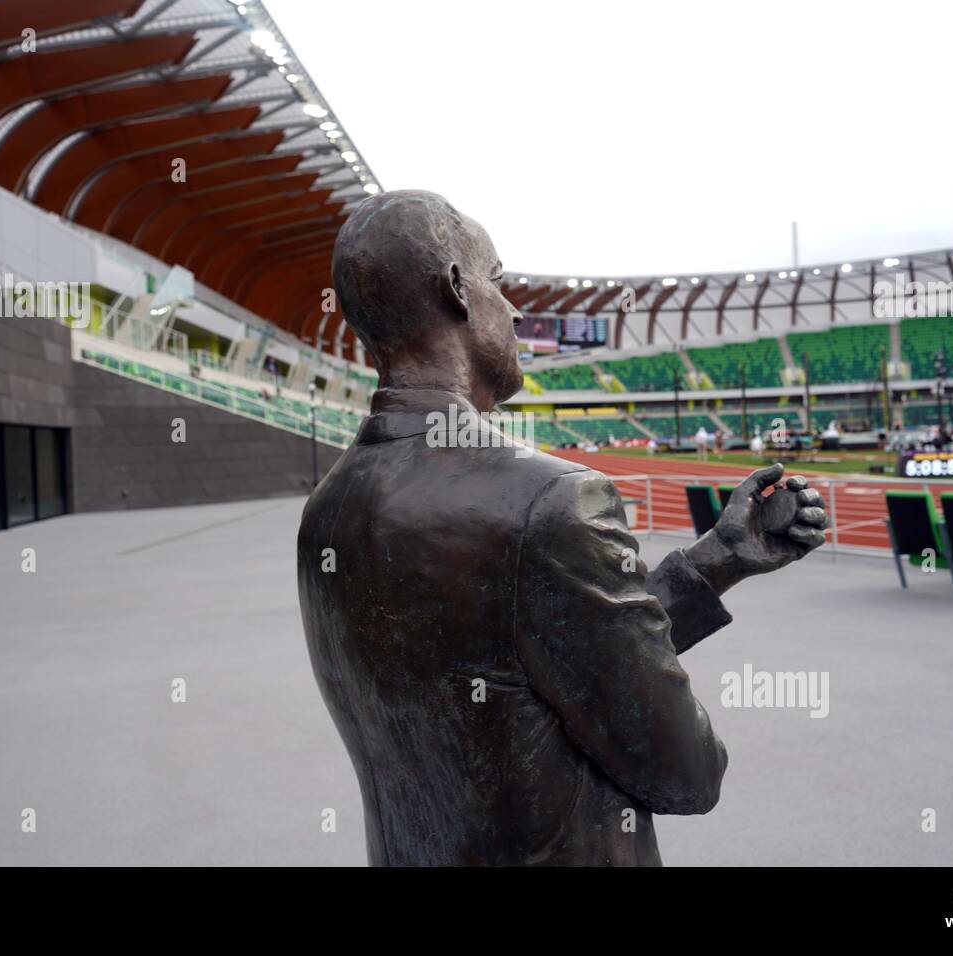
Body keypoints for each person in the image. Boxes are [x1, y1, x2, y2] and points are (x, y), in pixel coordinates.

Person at [297, 190, 829, 866]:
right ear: (458, 290)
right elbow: (688, 773)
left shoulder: (326, 510)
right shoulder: (550, 500)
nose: (514, 308)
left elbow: (526, 658)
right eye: (498, 280)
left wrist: (717, 560)